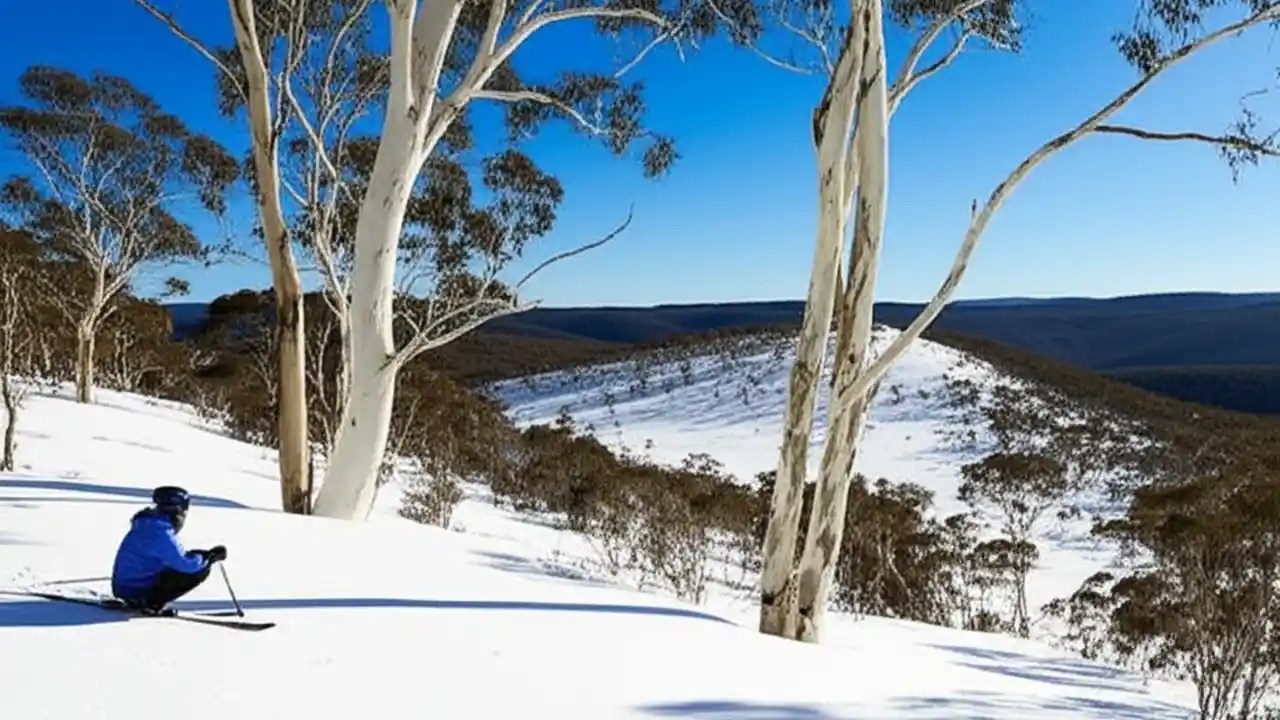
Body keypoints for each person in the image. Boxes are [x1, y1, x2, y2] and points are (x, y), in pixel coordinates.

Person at [110, 485, 227, 614]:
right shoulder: (161, 533)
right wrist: (209, 558)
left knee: (193, 559)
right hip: (137, 590)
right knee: (199, 570)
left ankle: (145, 600)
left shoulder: (147, 523)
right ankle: (151, 603)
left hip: (124, 586)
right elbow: (185, 565)